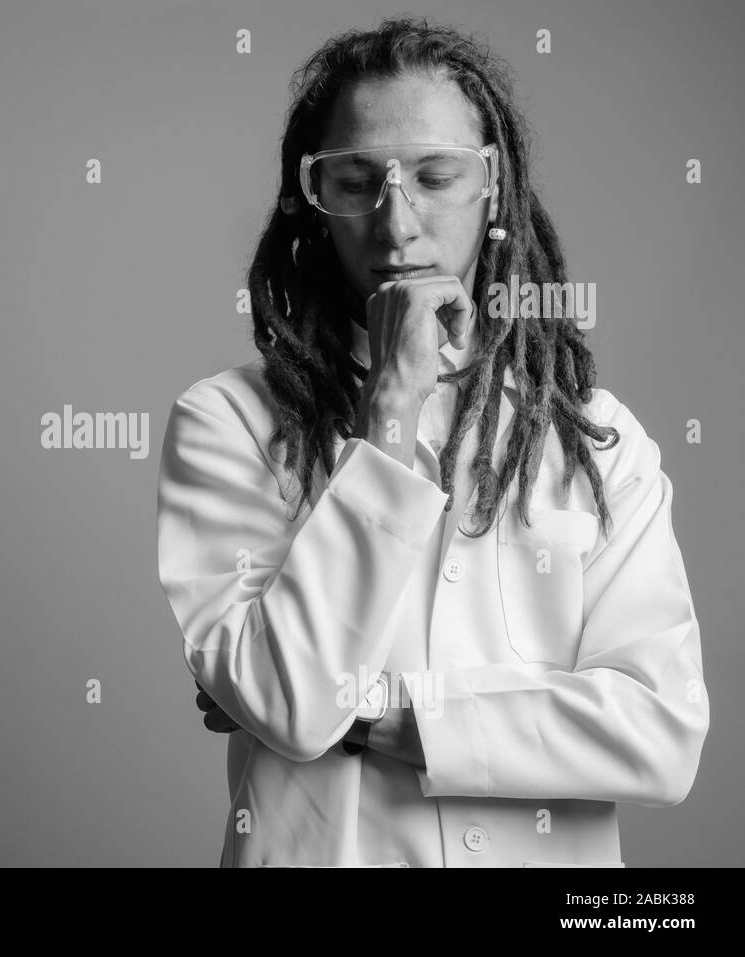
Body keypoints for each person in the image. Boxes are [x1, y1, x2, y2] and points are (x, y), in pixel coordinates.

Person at [155, 16, 709, 867]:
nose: (396, 222)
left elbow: (661, 733)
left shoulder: (598, 438)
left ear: (493, 190)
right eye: (355, 179)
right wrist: (389, 410)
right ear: (317, 201)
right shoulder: (226, 423)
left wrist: (387, 713)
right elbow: (294, 703)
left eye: (436, 175)